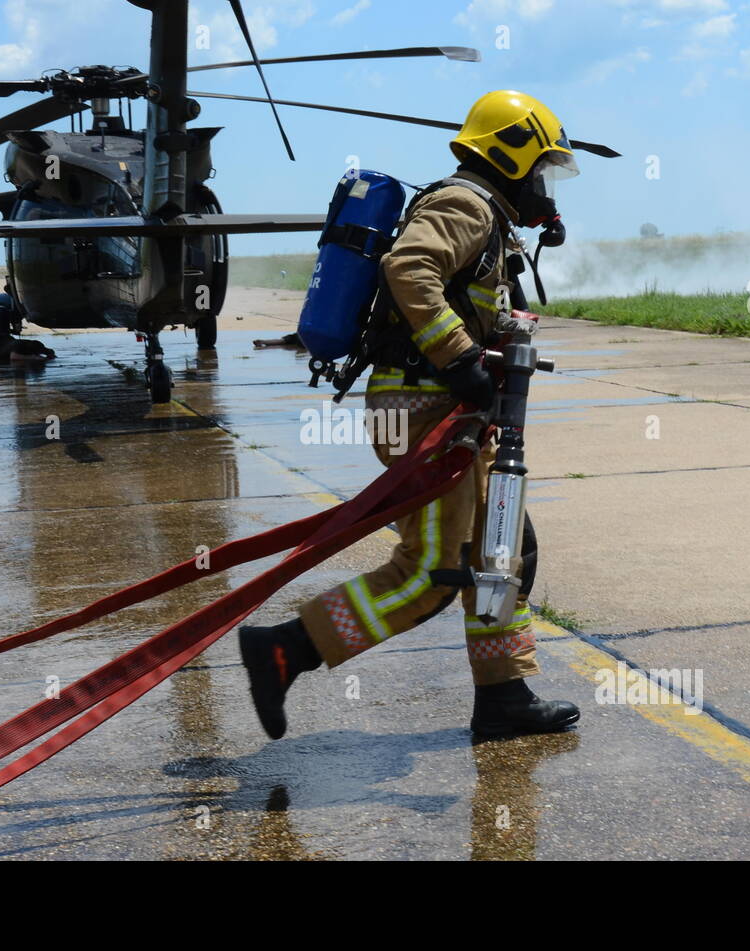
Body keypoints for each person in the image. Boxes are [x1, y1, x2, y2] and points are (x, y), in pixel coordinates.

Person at [240, 91, 584, 740]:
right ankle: (285, 650)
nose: (544, 184)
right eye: (540, 167)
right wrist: (460, 358)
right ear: (510, 156)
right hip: (419, 408)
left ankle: (503, 694)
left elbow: (458, 294)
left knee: (500, 549)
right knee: (428, 575)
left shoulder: (486, 214)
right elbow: (410, 267)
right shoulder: (465, 203)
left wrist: (498, 334)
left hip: (446, 410)